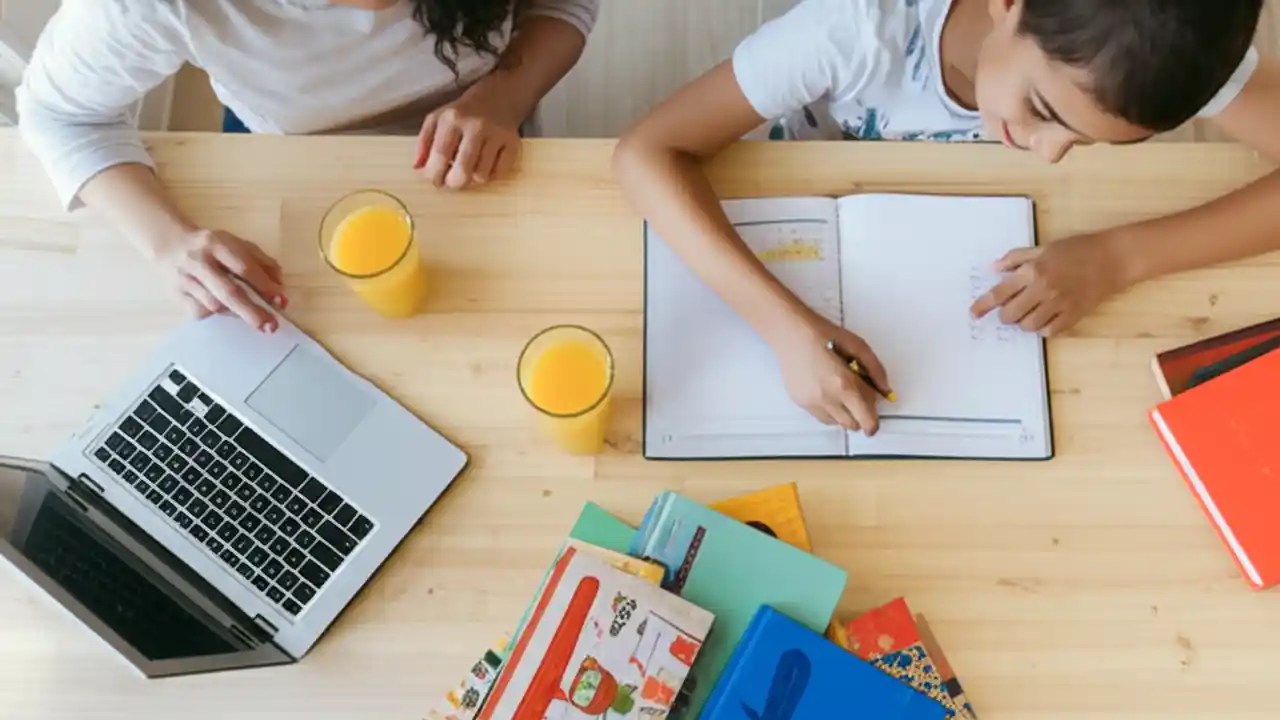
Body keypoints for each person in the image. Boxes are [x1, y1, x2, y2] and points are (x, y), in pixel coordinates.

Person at [613, 0, 1274, 435]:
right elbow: (646, 152)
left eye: (1088, 142)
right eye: (1045, 114)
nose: (1049, 157)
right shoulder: (854, 29)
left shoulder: (1155, 46)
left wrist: (1120, 257)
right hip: (814, 182)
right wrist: (783, 329)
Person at [17, 0, 598, 332]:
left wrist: (505, 96)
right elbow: (56, 112)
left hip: (490, 125)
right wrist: (168, 241)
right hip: (299, 179)